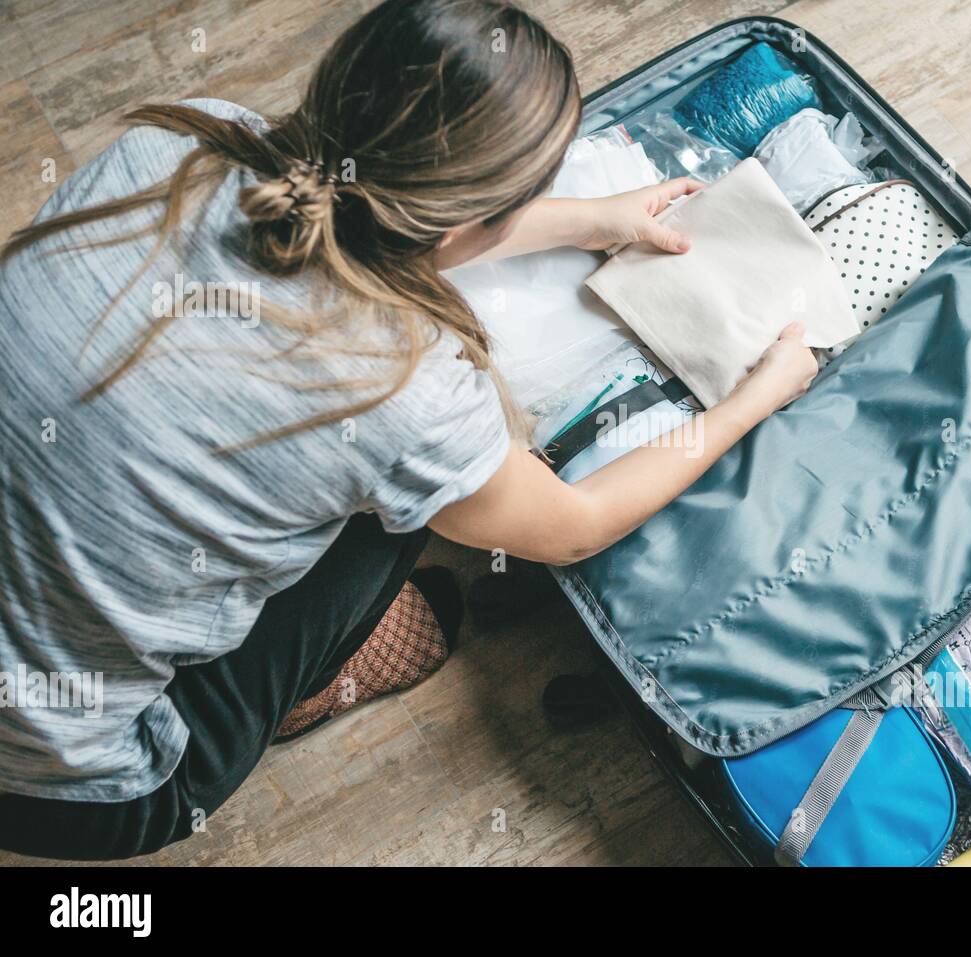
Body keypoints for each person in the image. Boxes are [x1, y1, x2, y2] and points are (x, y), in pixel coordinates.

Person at [0, 0, 816, 860]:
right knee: (408, 512)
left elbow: (359, 213)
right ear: (472, 224)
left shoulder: (179, 143)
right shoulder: (405, 390)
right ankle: (305, 689)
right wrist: (753, 397)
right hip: (80, 787)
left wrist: (595, 217)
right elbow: (572, 529)